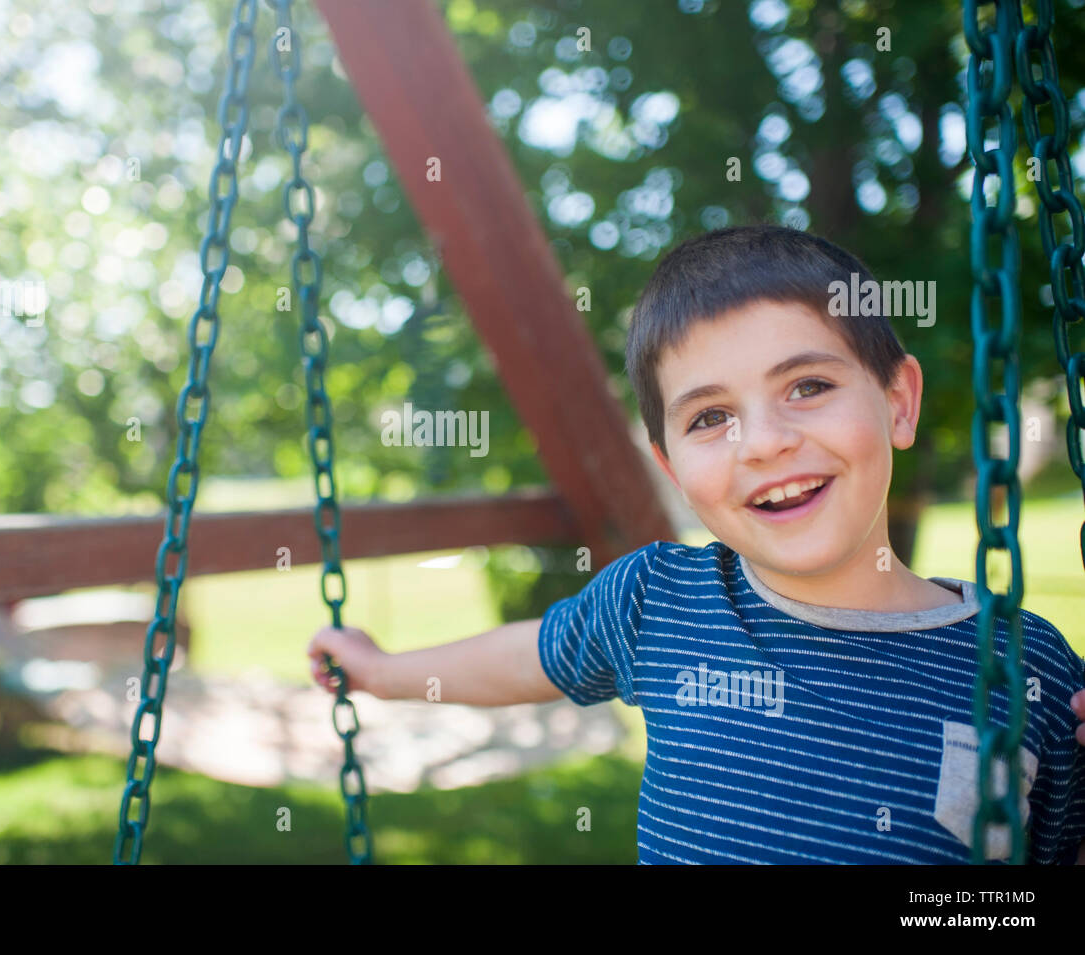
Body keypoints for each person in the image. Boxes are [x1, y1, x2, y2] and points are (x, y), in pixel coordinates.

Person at [307, 224, 1085, 864]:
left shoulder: (1026, 669)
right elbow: (527, 656)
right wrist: (381, 671)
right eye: (710, 417)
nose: (764, 443)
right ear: (672, 467)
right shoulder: (659, 601)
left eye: (808, 387)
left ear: (899, 402)